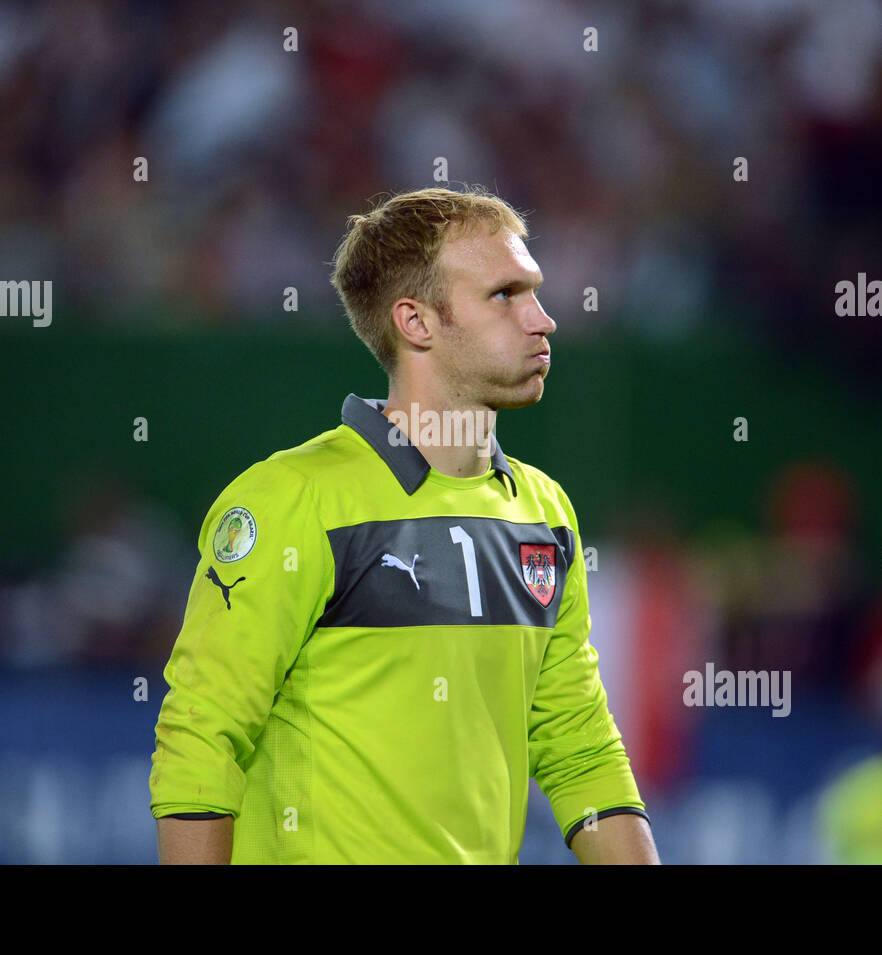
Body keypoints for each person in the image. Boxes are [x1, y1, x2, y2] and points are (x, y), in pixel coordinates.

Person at [149, 186, 658, 864]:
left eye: (534, 291)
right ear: (416, 322)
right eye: (504, 295)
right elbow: (202, 734)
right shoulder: (294, 499)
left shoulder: (542, 514)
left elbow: (577, 743)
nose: (543, 319)